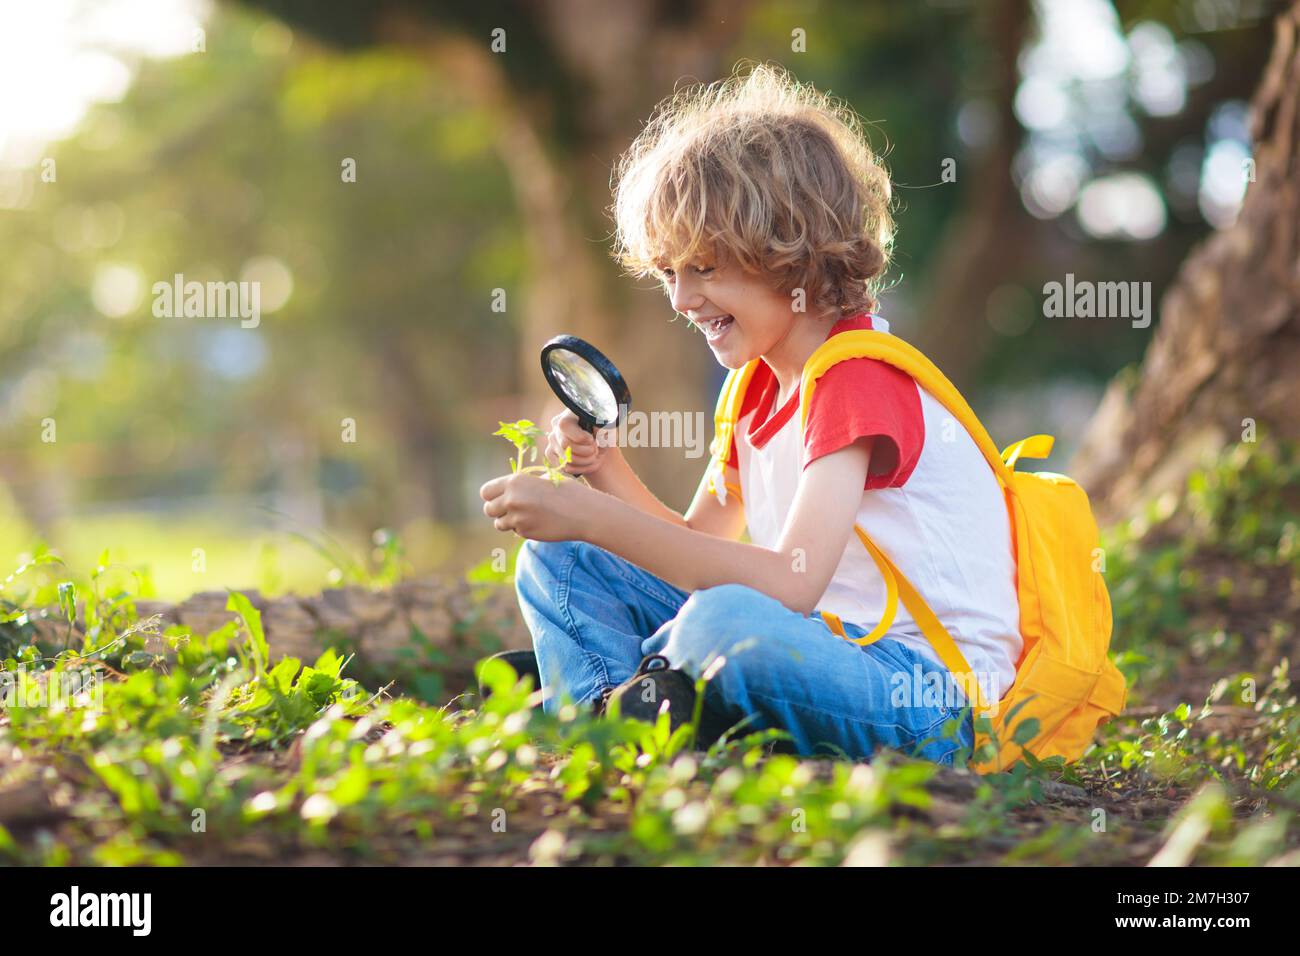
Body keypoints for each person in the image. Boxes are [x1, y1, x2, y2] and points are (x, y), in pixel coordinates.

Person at [479, 63, 1021, 765]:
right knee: (562, 558)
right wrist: (605, 475)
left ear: (790, 256)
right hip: (819, 648)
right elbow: (693, 554)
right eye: (669, 272)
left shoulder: (856, 377)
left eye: (703, 268)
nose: (680, 299)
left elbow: (789, 582)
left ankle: (609, 692)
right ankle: (619, 712)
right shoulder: (755, 390)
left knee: (725, 621)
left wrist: (592, 514)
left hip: (924, 698)